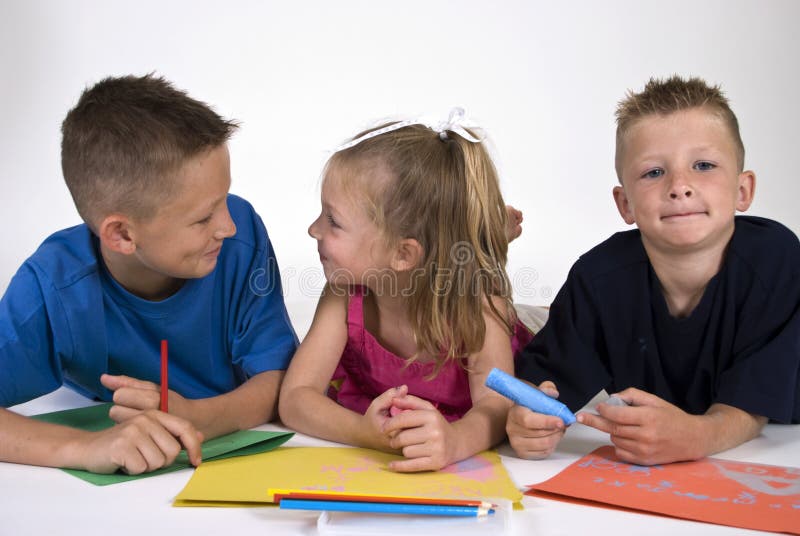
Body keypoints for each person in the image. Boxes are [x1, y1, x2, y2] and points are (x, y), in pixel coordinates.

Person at [0, 74, 297, 474]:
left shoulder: (240, 239)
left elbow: (281, 380)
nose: (228, 226)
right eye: (203, 217)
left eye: (224, 199)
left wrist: (199, 416)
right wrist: (83, 448)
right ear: (122, 234)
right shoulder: (53, 285)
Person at [508, 75, 800, 466]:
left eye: (704, 165)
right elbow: (545, 383)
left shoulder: (775, 259)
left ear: (743, 190)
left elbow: (753, 407)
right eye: (654, 173)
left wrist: (694, 436)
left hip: (780, 441)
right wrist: (529, 417)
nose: (680, 186)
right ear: (625, 203)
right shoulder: (598, 280)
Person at [279, 110, 533, 472]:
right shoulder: (343, 295)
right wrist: (365, 433)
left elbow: (497, 404)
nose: (313, 230)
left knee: (502, 297)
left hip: (495, 312)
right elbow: (295, 399)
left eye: (333, 221)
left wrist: (455, 442)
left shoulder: (477, 305)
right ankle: (484, 239)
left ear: (402, 253)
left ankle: (489, 243)